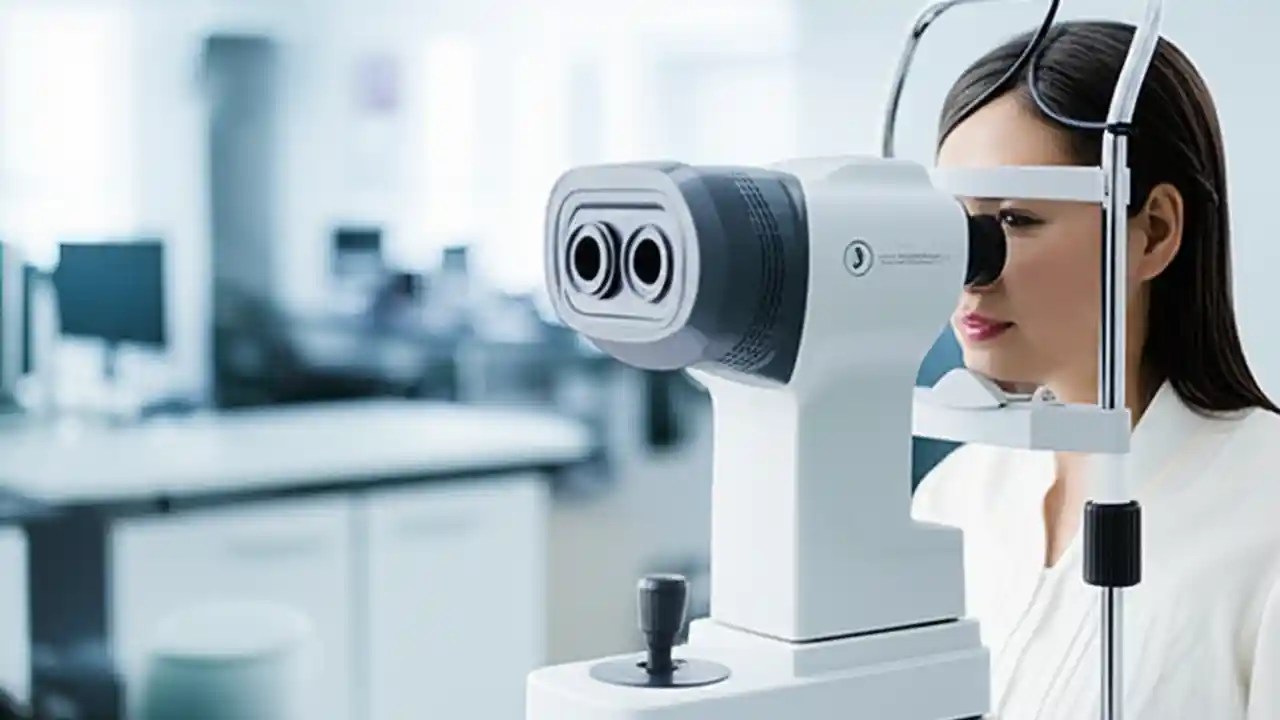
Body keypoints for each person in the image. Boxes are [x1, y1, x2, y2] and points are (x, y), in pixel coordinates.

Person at [912, 20, 1280, 720]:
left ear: (1154, 231)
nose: (969, 269)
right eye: (952, 222)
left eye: (1014, 218)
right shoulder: (950, 502)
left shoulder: (1266, 521)